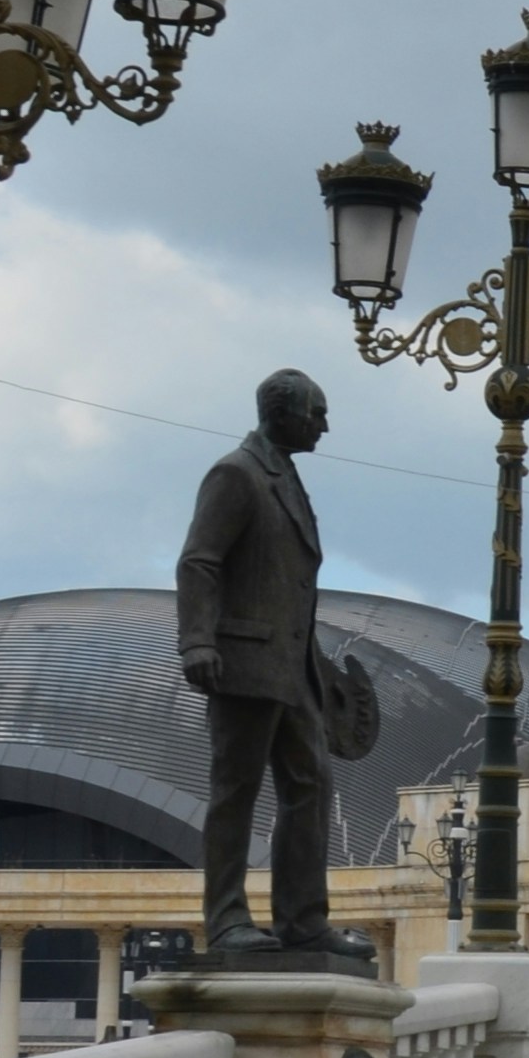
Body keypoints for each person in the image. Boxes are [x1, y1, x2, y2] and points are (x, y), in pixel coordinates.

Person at [177, 368, 372, 964]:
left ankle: (303, 922)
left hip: (292, 671)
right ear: (282, 412)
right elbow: (199, 562)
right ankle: (228, 919)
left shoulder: (283, 476)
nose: (325, 425)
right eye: (318, 412)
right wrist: (197, 642)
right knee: (235, 791)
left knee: (311, 785)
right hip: (242, 660)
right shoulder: (237, 474)